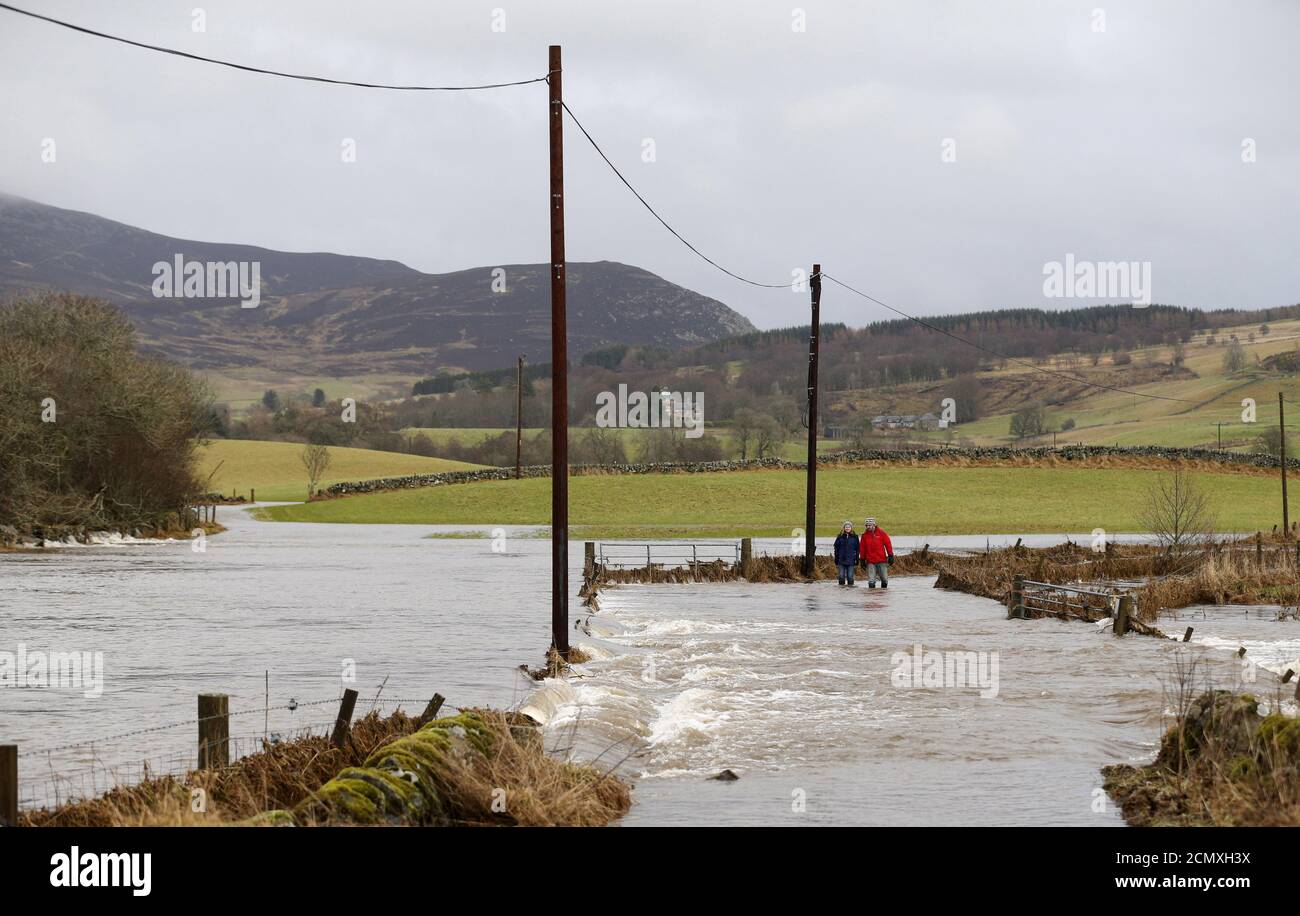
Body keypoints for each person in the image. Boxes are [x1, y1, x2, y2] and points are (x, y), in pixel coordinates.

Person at [858, 517, 894, 588]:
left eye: (869, 525)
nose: (868, 527)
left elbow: (888, 544)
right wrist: (862, 559)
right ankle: (871, 596)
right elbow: (862, 548)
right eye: (866, 525)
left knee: (884, 580)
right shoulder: (864, 536)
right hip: (870, 561)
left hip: (881, 560)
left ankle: (882, 595)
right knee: (871, 581)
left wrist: (890, 555)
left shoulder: (882, 533)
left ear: (874, 525)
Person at [833, 520, 859, 586]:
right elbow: (836, 548)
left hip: (851, 560)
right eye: (846, 527)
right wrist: (836, 558)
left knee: (850, 577)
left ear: (851, 528)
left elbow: (857, 549)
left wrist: (857, 559)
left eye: (849, 527)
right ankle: (842, 590)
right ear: (844, 528)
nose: (847, 528)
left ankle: (850, 591)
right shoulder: (839, 537)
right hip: (841, 560)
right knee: (841, 577)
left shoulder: (855, 537)